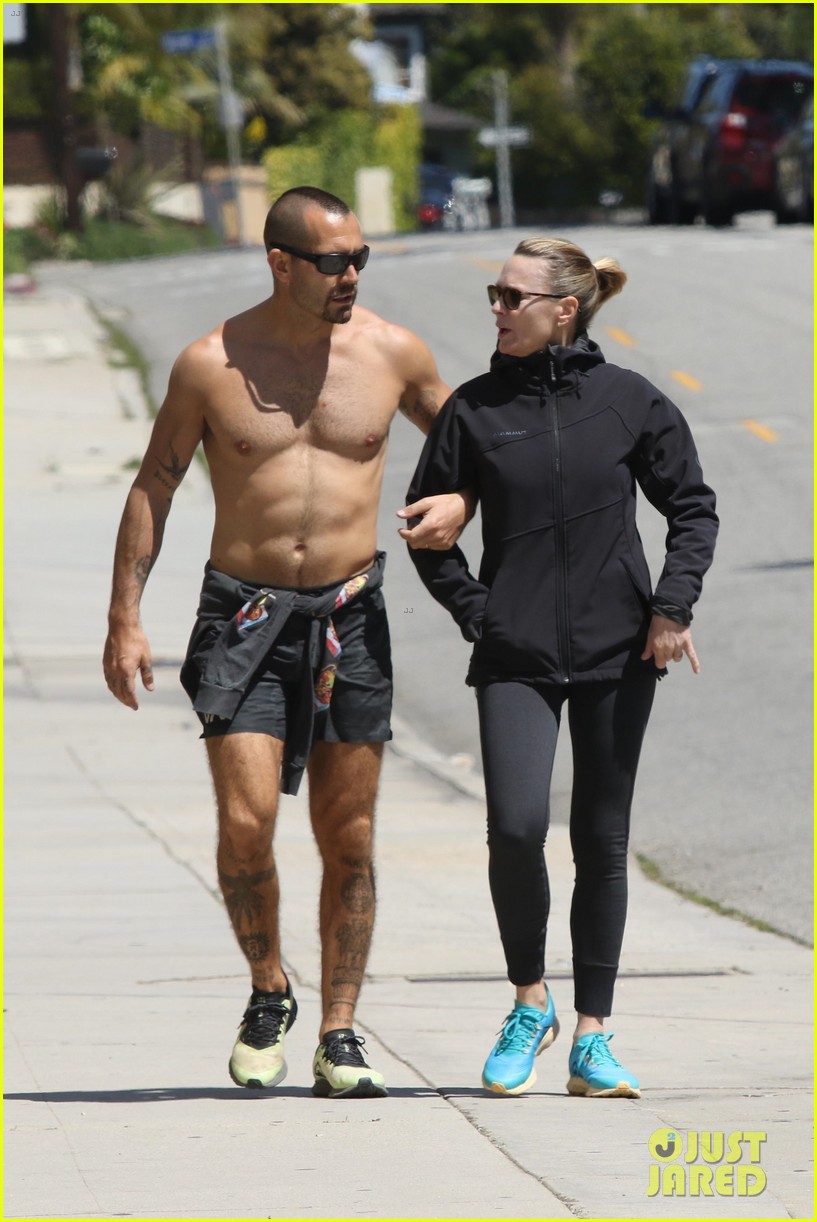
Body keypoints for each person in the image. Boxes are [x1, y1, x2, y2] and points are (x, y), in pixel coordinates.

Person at [102, 186, 472, 1099]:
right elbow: (155, 482)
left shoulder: (392, 353)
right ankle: (269, 990)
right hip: (243, 617)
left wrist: (462, 500)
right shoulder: (209, 364)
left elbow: (479, 444)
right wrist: (124, 617)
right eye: (333, 262)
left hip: (350, 614)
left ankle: (340, 1033)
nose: (351, 276)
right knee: (245, 824)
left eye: (359, 260)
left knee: (349, 835)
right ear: (280, 263)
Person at [404, 237, 718, 1099]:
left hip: (618, 649)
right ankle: (528, 1003)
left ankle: (592, 1035)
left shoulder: (629, 401)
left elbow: (691, 508)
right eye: (496, 294)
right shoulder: (471, 411)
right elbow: (426, 534)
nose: (497, 308)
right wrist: (480, 613)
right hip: (514, 654)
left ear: (563, 309)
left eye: (513, 297)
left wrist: (671, 607)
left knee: (600, 839)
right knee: (514, 827)